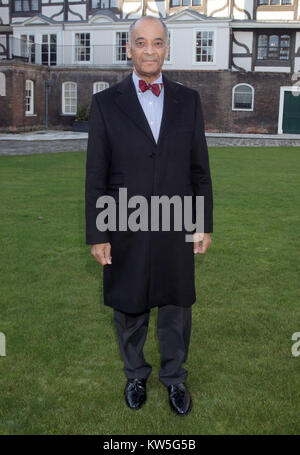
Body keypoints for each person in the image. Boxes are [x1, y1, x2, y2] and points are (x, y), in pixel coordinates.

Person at [85, 15, 213, 416]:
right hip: (125, 222)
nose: (149, 50)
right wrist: (98, 233)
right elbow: (96, 175)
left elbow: (199, 170)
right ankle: (136, 374)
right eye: (141, 43)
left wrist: (202, 223)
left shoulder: (188, 100)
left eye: (157, 43)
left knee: (176, 309)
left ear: (167, 48)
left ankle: (175, 378)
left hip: (176, 222)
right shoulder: (105, 104)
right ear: (129, 49)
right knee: (130, 307)